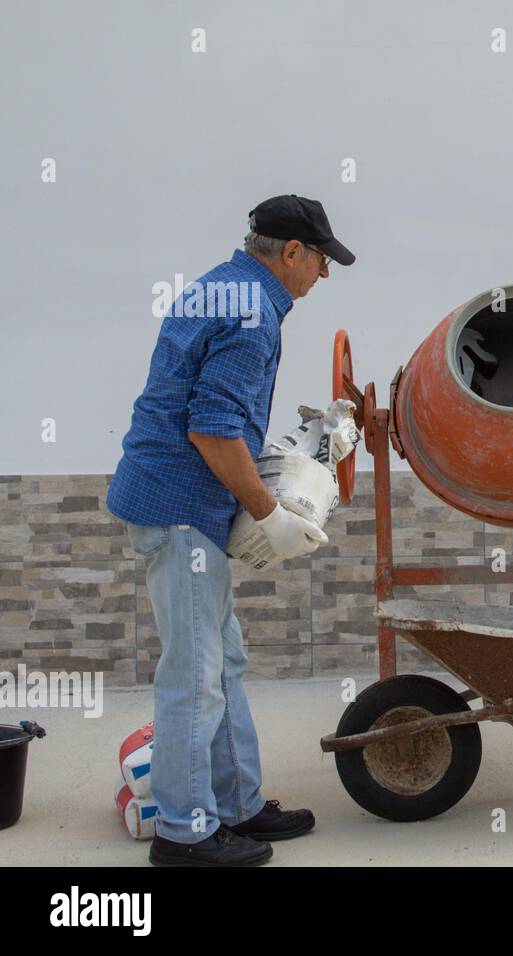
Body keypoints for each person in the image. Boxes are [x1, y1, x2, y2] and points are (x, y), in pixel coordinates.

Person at [106, 195, 356, 864]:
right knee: (195, 674)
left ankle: (237, 807)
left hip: (180, 500)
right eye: (322, 261)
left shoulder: (224, 288)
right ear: (293, 253)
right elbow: (212, 429)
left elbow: (214, 415)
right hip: (180, 507)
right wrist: (270, 512)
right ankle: (185, 834)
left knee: (224, 661)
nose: (323, 277)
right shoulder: (251, 316)